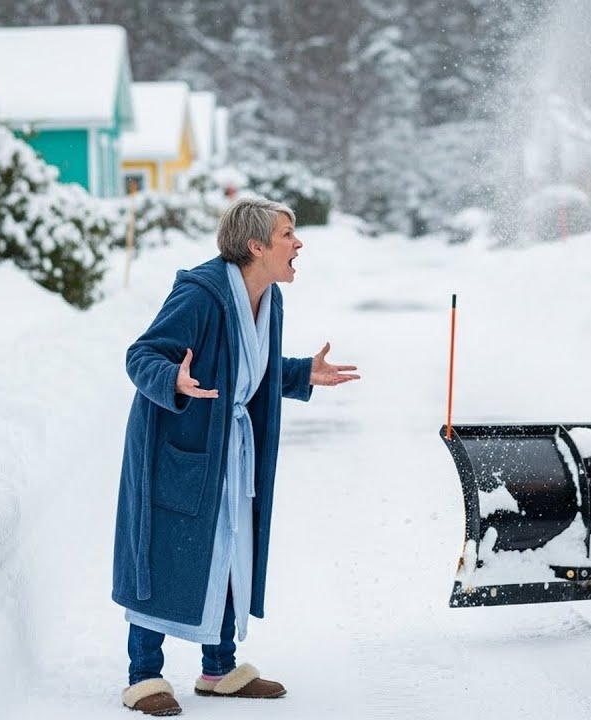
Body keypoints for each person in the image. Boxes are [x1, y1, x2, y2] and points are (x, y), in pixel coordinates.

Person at [112, 197, 359, 715]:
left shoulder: (268, 298)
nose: (298, 243)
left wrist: (301, 373)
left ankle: (218, 669)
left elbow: (248, 367)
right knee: (164, 551)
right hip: (177, 448)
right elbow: (142, 355)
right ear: (256, 246)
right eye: (287, 234)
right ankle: (144, 675)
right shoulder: (201, 295)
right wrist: (173, 379)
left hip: (231, 451)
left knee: (229, 547)